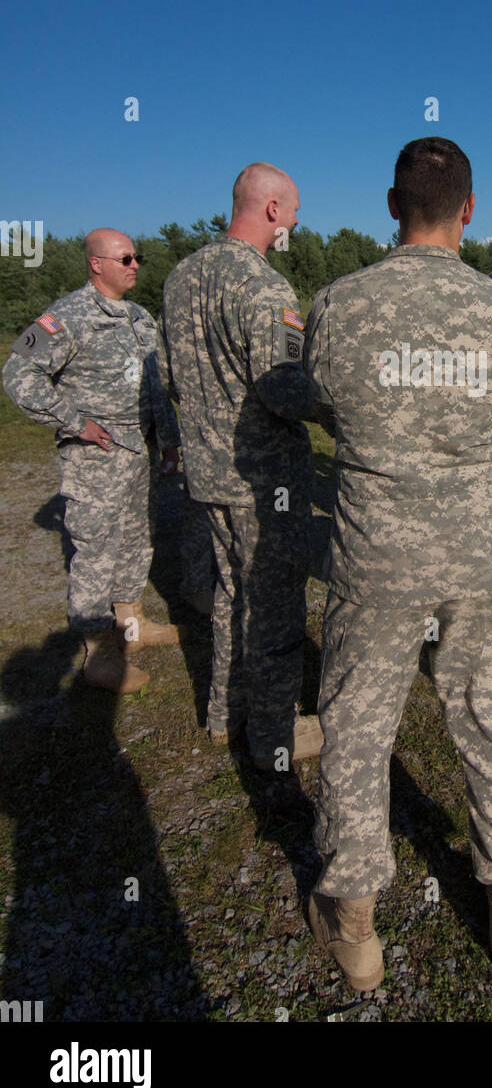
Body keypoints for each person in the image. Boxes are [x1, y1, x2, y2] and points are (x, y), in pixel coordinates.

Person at [303, 137, 492, 990]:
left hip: (375, 558)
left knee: (358, 732)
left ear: (393, 204)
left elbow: (325, 402)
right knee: (491, 722)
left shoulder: (340, 303)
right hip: (475, 553)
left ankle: (356, 923)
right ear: (470, 209)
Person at [155, 163, 322, 771]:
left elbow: (170, 377)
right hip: (262, 482)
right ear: (272, 209)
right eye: (296, 208)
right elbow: (284, 390)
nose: (298, 220)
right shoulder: (264, 287)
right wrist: (335, 404)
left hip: (207, 473)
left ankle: (225, 714)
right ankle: (273, 737)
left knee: (231, 595)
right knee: (274, 608)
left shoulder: (179, 278)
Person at [2, 230, 181, 693]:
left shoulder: (140, 318)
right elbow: (18, 374)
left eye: (136, 256)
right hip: (95, 457)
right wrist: (72, 420)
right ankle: (98, 654)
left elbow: (156, 385)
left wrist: (168, 439)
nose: (135, 264)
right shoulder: (67, 316)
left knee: (138, 539)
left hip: (139, 451)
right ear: (95, 263)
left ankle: (131, 626)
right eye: (124, 258)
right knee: (96, 552)